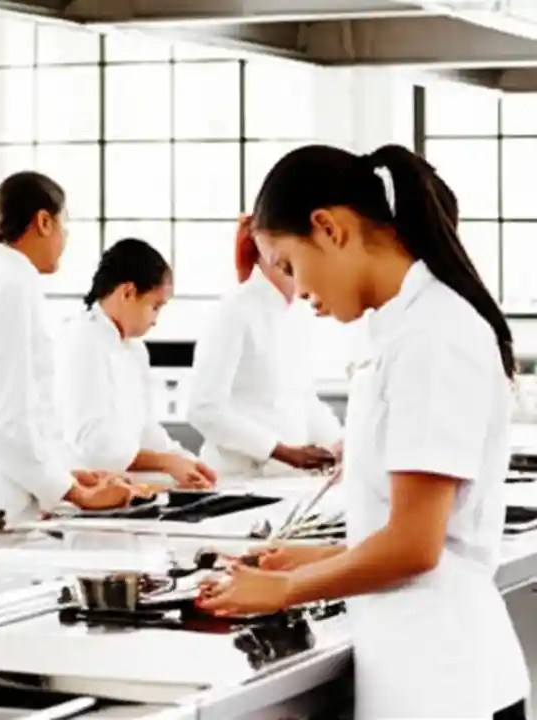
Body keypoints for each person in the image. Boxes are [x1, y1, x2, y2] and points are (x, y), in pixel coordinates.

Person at [197, 144, 529, 720]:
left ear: (328, 229)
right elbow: (414, 534)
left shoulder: (432, 334)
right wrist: (311, 558)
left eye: (289, 265)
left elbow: (416, 546)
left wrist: (284, 590)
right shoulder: (407, 327)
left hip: (448, 683)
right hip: (428, 672)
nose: (298, 292)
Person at [0, 171, 151, 523]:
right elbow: (6, 422)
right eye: (66, 225)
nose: (66, 238)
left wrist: (66, 474)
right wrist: (77, 494)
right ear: (44, 222)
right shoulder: (10, 287)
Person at [186, 214, 343, 477]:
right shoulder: (235, 309)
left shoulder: (298, 314)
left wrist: (339, 444)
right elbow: (204, 409)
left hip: (289, 482)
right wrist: (280, 450)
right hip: (240, 479)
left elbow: (302, 398)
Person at [55, 238, 216, 489]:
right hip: (85, 489)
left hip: (123, 489)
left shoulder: (134, 349)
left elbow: (146, 429)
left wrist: (187, 462)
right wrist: (166, 463)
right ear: (127, 292)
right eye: (155, 306)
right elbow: (96, 445)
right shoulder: (82, 340)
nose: (156, 321)